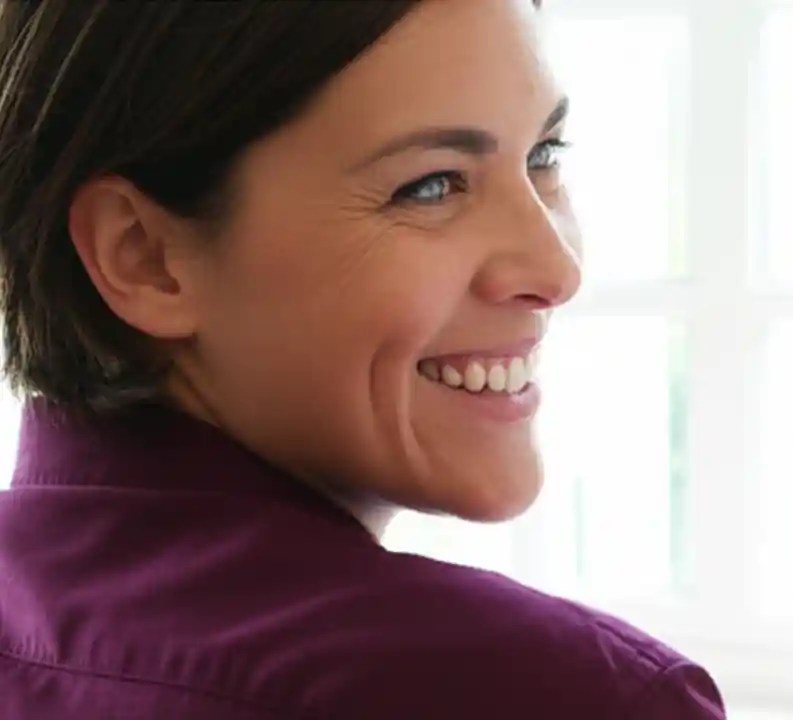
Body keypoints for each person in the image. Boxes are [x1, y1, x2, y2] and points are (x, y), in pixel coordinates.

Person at [0, 1, 726, 718]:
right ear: (144, 257)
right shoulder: (567, 697)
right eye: (431, 186)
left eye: (544, 157)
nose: (556, 269)